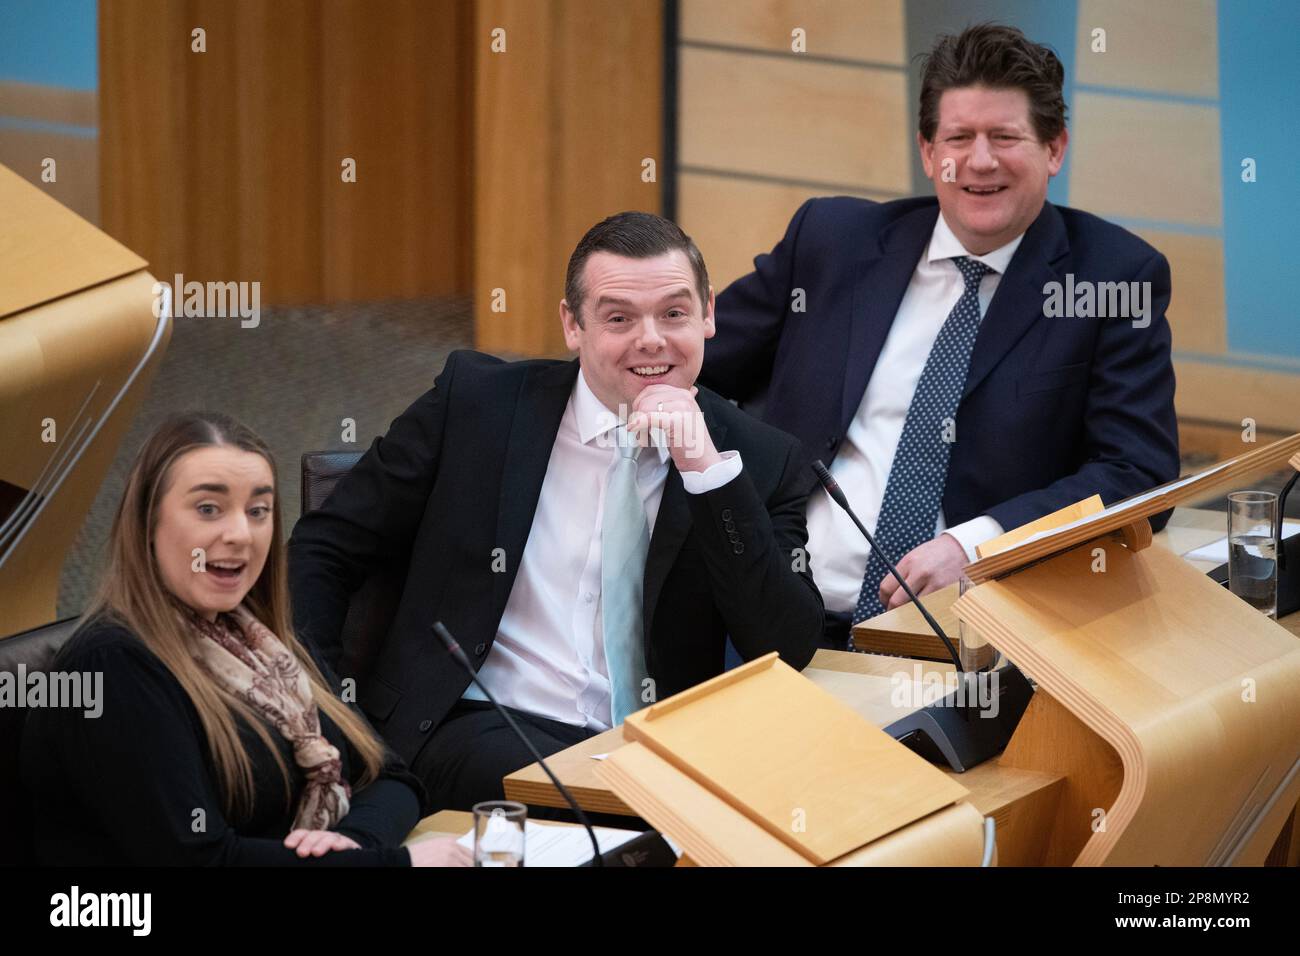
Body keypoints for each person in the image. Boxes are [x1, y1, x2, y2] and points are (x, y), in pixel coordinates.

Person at [289, 211, 823, 812]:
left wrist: (706, 471)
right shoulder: (478, 404)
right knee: (627, 815)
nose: (651, 339)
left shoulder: (758, 458)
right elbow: (324, 547)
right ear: (573, 325)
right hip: (478, 723)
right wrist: (332, 709)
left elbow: (786, 643)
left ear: (708, 316)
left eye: (674, 313)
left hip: (655, 744)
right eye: (618, 318)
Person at [699, 23, 1179, 648]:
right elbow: (696, 366)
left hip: (966, 642)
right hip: (771, 624)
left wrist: (978, 544)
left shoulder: (1113, 277)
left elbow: (1137, 474)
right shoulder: (833, 242)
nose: (980, 161)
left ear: (1055, 149)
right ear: (928, 152)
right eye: (958, 138)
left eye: (1005, 137)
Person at [21, 412, 469, 866]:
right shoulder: (113, 667)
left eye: (258, 511)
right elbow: (201, 862)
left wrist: (351, 841)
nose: (239, 534)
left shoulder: (265, 641)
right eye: (208, 509)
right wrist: (397, 865)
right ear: (147, 523)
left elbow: (391, 774)